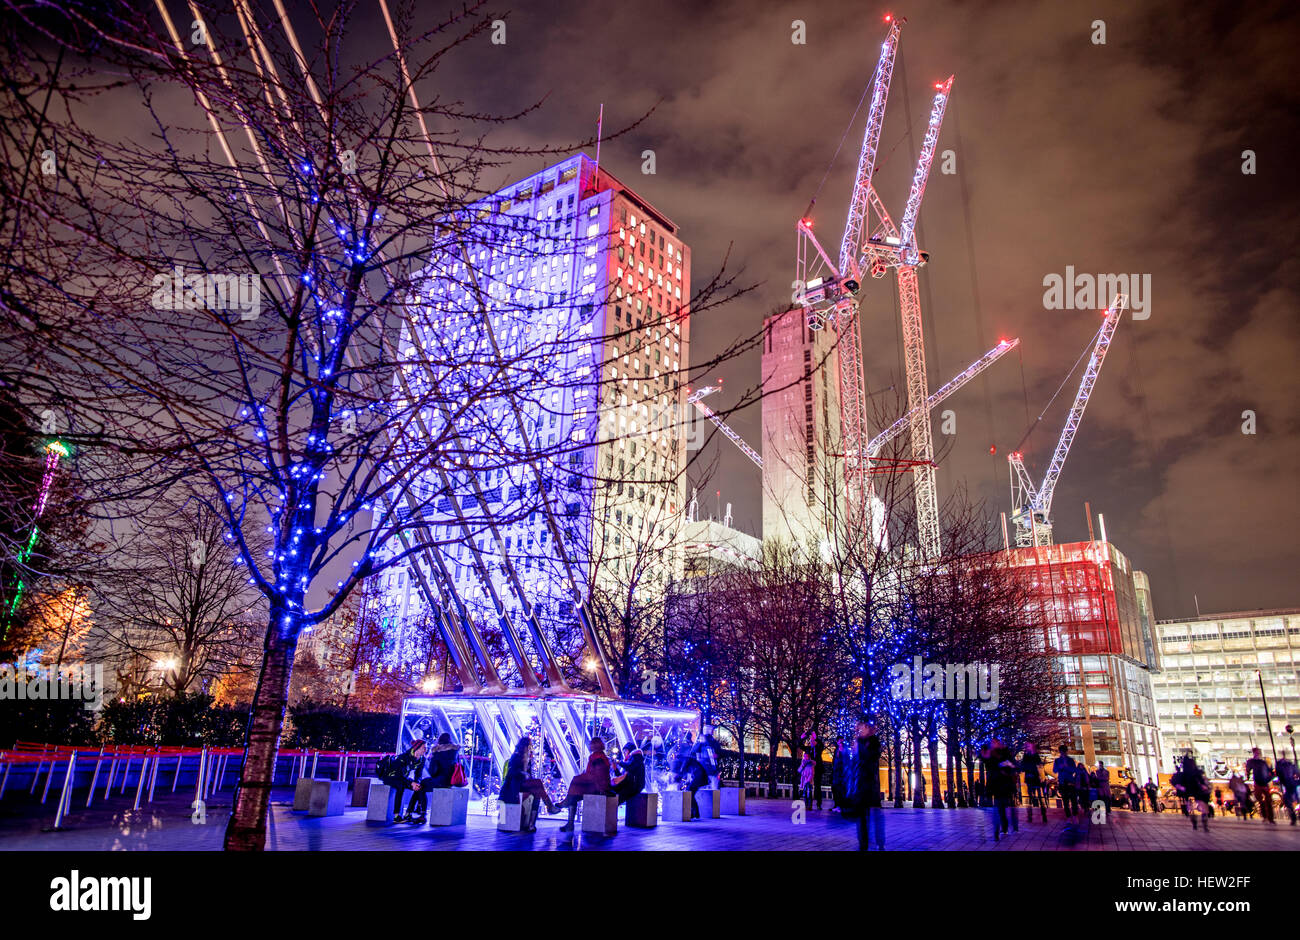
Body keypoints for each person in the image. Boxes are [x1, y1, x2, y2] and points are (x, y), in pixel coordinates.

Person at [500, 737, 558, 832]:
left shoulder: (528, 758)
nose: (531, 747)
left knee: (537, 793)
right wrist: (524, 774)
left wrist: (527, 775)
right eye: (529, 745)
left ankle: (532, 824)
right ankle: (549, 807)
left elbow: (529, 774)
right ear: (524, 746)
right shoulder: (516, 757)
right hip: (516, 785)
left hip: (524, 784)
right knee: (538, 783)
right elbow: (512, 774)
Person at [558, 737, 614, 832]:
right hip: (597, 785)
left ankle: (569, 820)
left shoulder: (597, 757)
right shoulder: (600, 756)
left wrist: (583, 778)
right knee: (573, 796)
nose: (589, 745)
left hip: (597, 787)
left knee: (575, 781)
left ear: (595, 745)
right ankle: (569, 822)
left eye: (591, 743)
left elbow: (598, 775)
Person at [848, 716, 884, 851]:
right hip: (859, 782)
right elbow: (855, 761)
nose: (859, 729)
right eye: (859, 727)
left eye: (861, 727)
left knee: (873, 815)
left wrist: (859, 749)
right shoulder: (859, 741)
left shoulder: (873, 742)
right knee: (862, 816)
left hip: (869, 783)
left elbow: (870, 758)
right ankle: (863, 843)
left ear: (868, 728)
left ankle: (878, 842)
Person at [407, 732, 460, 822]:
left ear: (439, 741)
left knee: (421, 785)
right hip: (451, 781)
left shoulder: (437, 752)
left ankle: (421, 813)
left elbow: (432, 772)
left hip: (440, 781)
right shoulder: (455, 752)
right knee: (421, 785)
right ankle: (416, 809)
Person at [380, 738, 426, 822]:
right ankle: (396, 816)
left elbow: (418, 774)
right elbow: (399, 774)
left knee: (419, 787)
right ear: (417, 748)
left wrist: (416, 783)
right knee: (400, 786)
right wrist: (411, 782)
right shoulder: (404, 757)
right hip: (391, 776)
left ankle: (408, 813)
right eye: (423, 748)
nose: (425, 750)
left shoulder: (422, 759)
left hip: (403, 777)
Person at [983, 738, 1019, 841]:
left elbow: (1013, 765)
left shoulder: (1005, 752)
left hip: (1006, 784)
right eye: (992, 743)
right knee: (999, 807)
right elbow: (989, 767)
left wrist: (1007, 765)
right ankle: (1000, 830)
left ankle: (1009, 826)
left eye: (995, 743)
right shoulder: (990, 755)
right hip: (996, 785)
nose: (994, 744)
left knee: (1007, 806)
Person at [1172, 753, 1211, 831]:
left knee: (1193, 810)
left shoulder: (1184, 774)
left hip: (1190, 793)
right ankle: (1203, 824)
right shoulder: (1196, 773)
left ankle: (1196, 824)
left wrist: (1182, 788)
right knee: (1201, 809)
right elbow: (1202, 781)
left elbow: (1176, 782)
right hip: (1197, 793)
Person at [1244, 747, 1275, 824]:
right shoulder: (1255, 762)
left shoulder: (1261, 762)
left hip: (1262, 782)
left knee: (1266, 801)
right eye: (1256, 752)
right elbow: (1248, 769)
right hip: (1261, 783)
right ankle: (1267, 817)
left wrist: (1270, 777)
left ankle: (1269, 818)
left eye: (1258, 752)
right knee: (1263, 801)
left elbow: (1270, 771)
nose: (1257, 754)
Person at [691, 725, 723, 791]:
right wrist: (700, 742)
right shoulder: (701, 741)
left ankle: (713, 792)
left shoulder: (713, 741)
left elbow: (719, 751)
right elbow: (693, 750)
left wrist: (717, 755)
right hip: (703, 764)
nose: (713, 732)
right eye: (712, 730)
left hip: (712, 764)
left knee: (714, 780)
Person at [1021, 743, 1047, 822]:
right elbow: (1024, 765)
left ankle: (1040, 814)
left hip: (1033, 777)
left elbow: (1038, 764)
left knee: (1035, 796)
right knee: (1033, 796)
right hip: (1032, 777)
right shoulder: (1028, 755)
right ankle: (1034, 815)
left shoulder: (1032, 755)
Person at [1053, 745, 1077, 818]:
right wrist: (1059, 767)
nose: (1063, 753)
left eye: (1064, 751)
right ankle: (1068, 816)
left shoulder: (1070, 760)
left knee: (1073, 800)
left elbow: (1074, 770)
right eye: (1061, 751)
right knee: (1065, 800)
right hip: (1062, 782)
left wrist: (1067, 767)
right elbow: (1054, 770)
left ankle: (1075, 814)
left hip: (1070, 782)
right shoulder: (1057, 760)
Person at [1275, 755, 1298, 825]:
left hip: (1289, 785)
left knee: (1288, 801)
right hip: (1292, 784)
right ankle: (1293, 817)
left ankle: (1293, 818)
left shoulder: (1280, 766)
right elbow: (1297, 773)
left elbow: (1279, 776)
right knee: (1291, 800)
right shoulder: (1291, 765)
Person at [831, 737, 849, 810]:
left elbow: (846, 760)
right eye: (839, 741)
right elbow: (834, 760)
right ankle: (837, 805)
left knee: (841, 789)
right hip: (836, 772)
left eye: (841, 742)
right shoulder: (836, 750)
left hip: (842, 773)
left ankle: (841, 805)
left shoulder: (845, 750)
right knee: (835, 789)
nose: (840, 743)